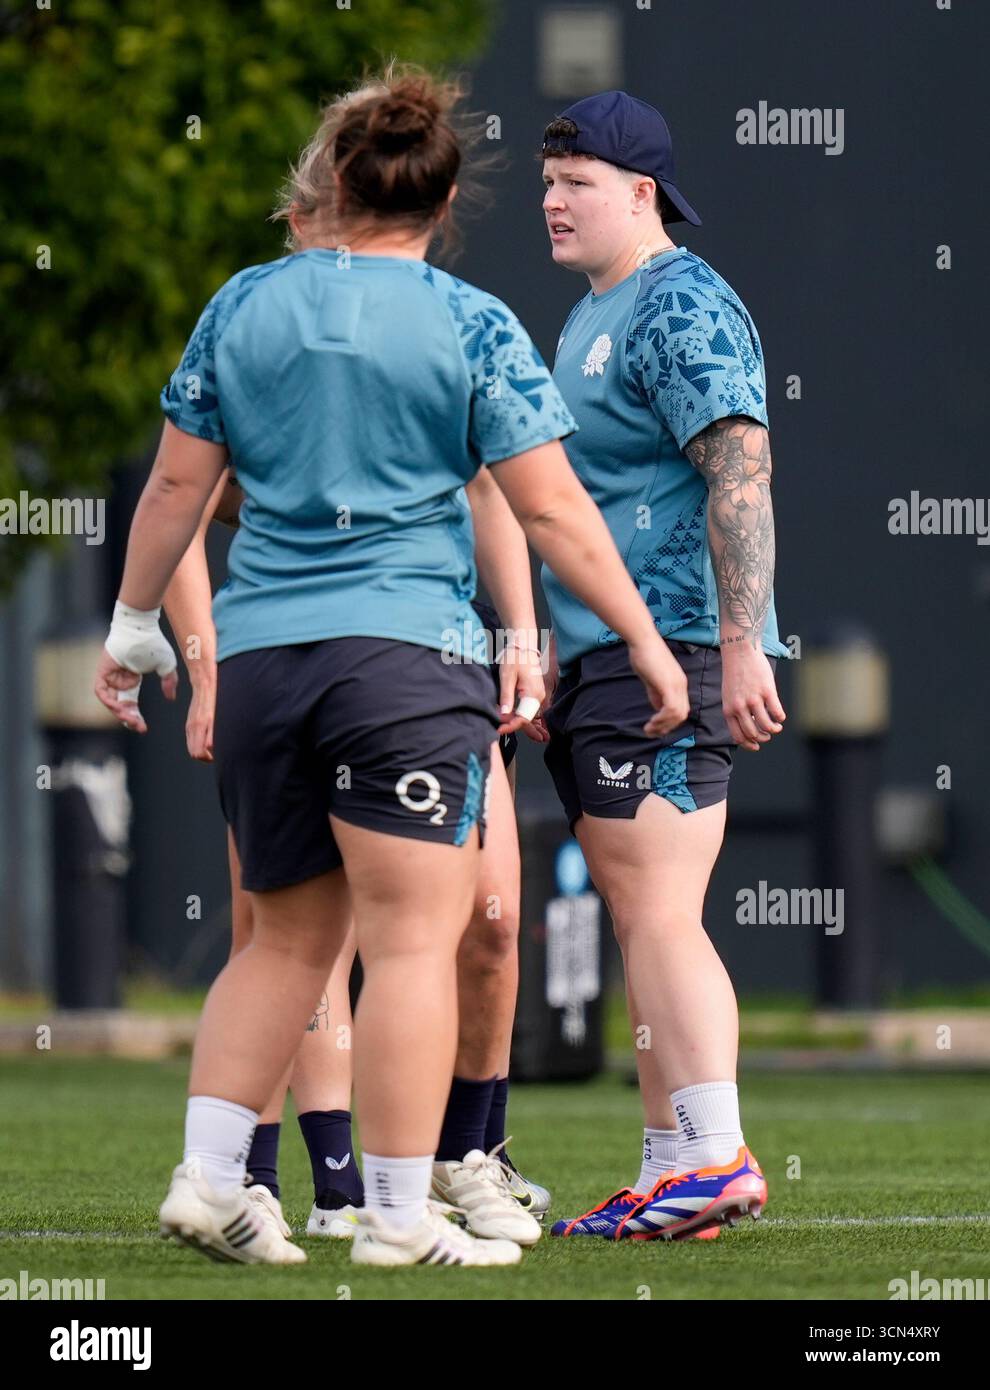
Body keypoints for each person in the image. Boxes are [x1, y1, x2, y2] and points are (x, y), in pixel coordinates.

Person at [94, 68, 689, 1270]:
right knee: (412, 943)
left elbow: (172, 488)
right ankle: (402, 1215)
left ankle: (211, 1181)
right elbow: (555, 512)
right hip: (404, 665)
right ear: (444, 196)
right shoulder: (470, 323)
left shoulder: (242, 304)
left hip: (262, 659)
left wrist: (130, 629)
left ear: (326, 182)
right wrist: (637, 637)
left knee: (282, 939)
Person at [163, 464, 550, 1245]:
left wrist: (521, 636)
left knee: (481, 920)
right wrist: (188, 656)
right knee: (297, 937)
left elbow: (507, 489)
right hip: (288, 641)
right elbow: (181, 490)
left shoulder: (455, 340)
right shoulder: (249, 343)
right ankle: (308, 1187)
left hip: (427, 648)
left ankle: (446, 1165)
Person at [536, 91, 788, 1241]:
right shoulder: (592, 311)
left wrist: (738, 640)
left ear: (641, 194)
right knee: (644, 914)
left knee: (662, 911)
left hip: (675, 651)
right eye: (547, 180)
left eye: (576, 181)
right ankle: (668, 1166)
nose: (551, 199)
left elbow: (740, 462)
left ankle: (720, 1153)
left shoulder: (680, 299)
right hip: (607, 659)